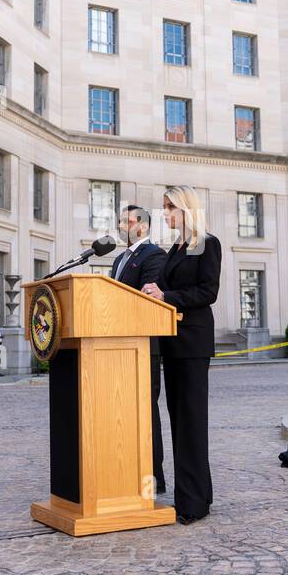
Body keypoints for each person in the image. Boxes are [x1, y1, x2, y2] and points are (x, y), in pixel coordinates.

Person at [143, 184, 221, 525]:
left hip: (193, 345)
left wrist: (167, 295)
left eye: (169, 207)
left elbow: (208, 291)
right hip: (172, 346)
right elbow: (161, 287)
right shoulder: (173, 248)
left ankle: (193, 504)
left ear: (185, 208)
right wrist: (151, 292)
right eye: (163, 207)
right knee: (179, 423)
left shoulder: (207, 244)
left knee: (191, 424)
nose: (164, 213)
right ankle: (197, 494)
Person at [113, 204, 170, 494]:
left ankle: (153, 476)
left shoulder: (154, 255)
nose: (121, 225)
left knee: (145, 410)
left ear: (143, 226)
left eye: (127, 220)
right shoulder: (119, 259)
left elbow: (146, 298)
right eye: (119, 221)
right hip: (116, 346)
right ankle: (123, 469)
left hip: (143, 345)